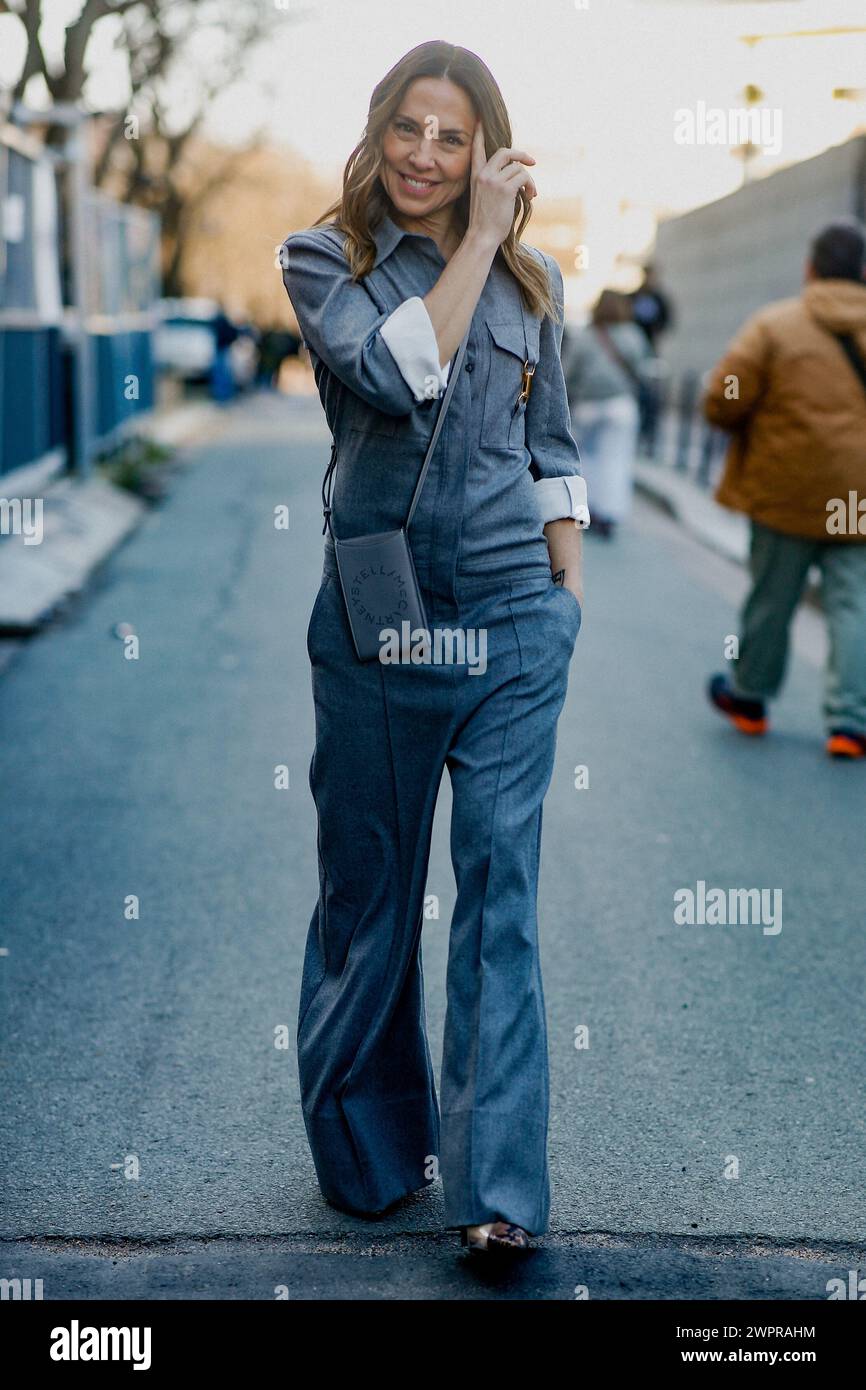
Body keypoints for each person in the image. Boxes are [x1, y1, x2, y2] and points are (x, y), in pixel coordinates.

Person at [280, 40, 590, 1255]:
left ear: (483, 148)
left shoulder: (537, 284)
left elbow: (551, 443)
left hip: (514, 620)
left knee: (500, 897)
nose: (425, 152)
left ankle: (498, 1195)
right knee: (371, 896)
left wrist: (565, 591)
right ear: (378, 133)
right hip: (379, 625)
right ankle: (370, 1153)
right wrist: (474, 242)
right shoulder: (325, 260)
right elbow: (394, 374)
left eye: (451, 135)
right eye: (408, 127)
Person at [704, 216, 866, 758]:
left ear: (810, 268)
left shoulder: (774, 325)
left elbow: (727, 395)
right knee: (854, 604)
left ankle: (749, 699)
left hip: (785, 488)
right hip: (859, 495)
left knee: (773, 598)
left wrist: (731, 415)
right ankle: (850, 722)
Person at [561, 289, 650, 538]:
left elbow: (568, 373)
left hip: (589, 406)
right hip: (621, 405)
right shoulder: (633, 335)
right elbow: (643, 369)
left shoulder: (586, 336)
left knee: (587, 459)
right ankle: (609, 514)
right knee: (616, 460)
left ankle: (586, 511)